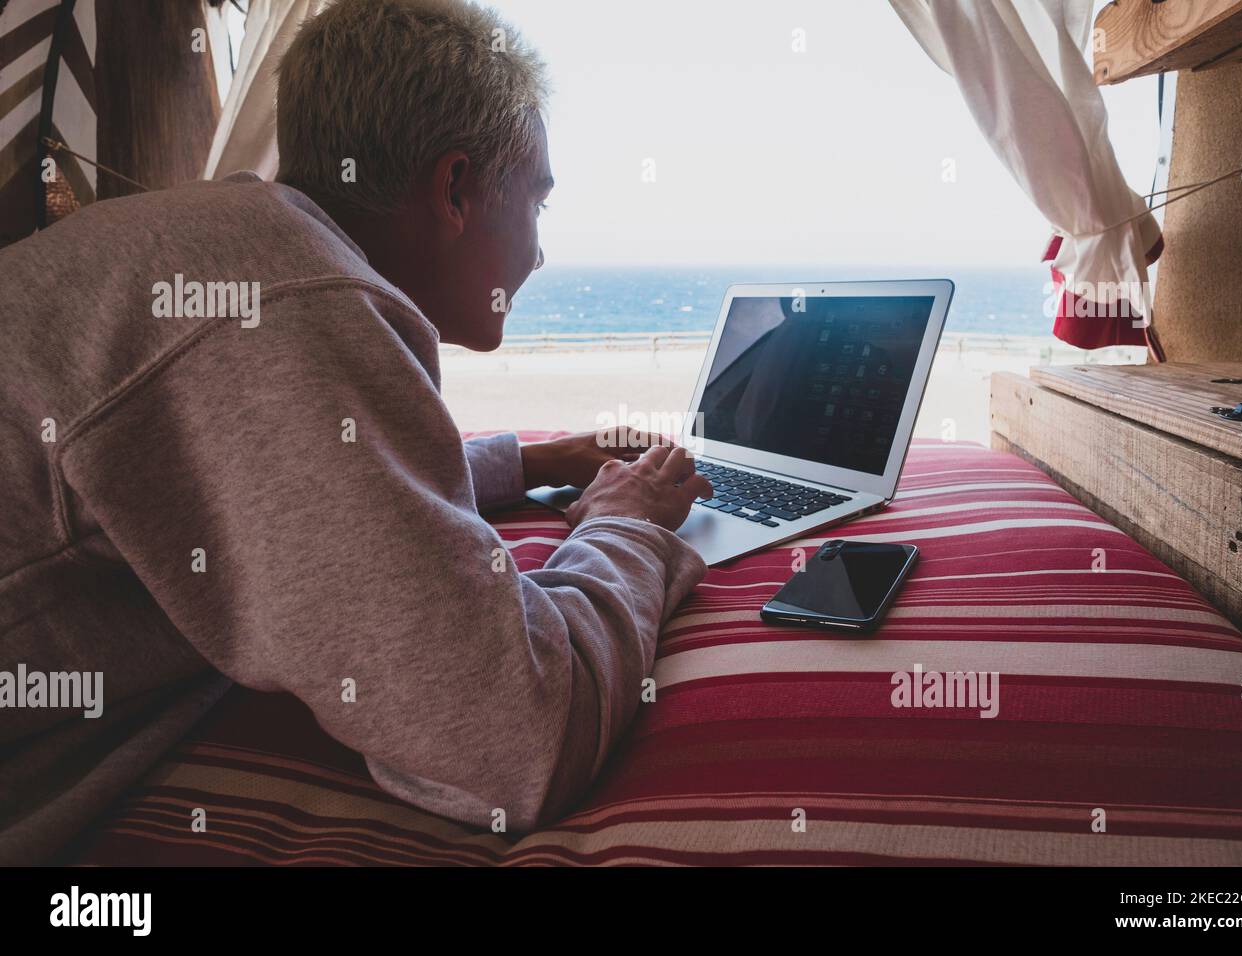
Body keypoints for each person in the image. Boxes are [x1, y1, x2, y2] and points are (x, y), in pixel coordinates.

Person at [0, 0, 710, 864]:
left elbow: (287, 480)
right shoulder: (290, 296)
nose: (540, 252)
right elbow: (512, 744)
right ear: (455, 189)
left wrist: (522, 463)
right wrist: (625, 526)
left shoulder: (237, 248)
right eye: (538, 205)